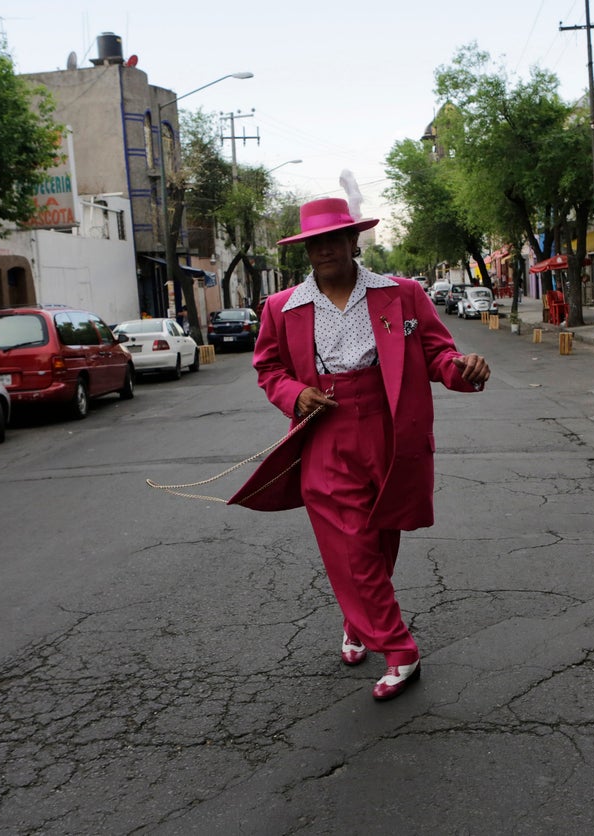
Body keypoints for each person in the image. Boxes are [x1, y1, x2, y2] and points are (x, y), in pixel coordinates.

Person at [228, 197, 490, 701]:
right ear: (305, 250)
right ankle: (399, 649)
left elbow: (438, 353)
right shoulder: (283, 307)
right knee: (350, 542)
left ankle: (358, 620)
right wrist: (294, 393)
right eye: (314, 242)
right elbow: (268, 368)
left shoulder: (403, 293)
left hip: (392, 429)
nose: (323, 249)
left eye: (333, 238)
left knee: (381, 535)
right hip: (325, 431)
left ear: (354, 241)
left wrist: (463, 368)